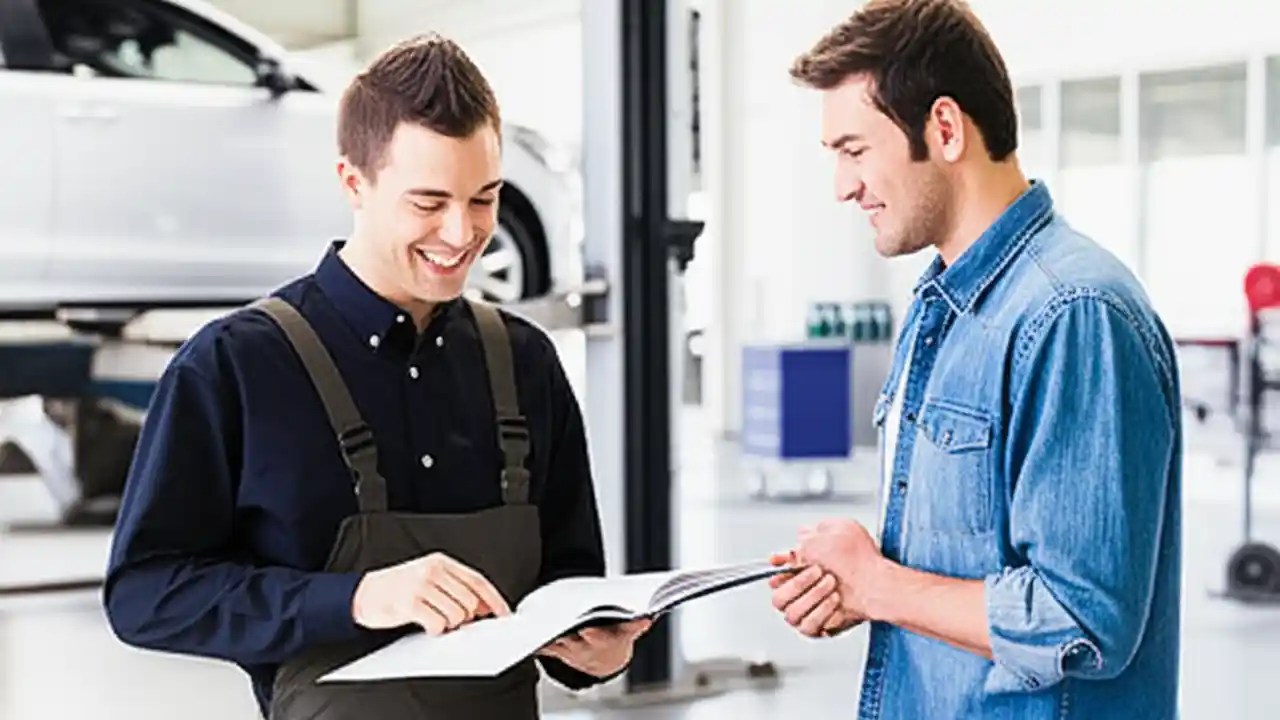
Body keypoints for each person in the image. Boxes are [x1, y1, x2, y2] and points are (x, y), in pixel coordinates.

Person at [103, 34, 649, 719]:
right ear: (353, 183)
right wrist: (355, 598)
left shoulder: (526, 363)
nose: (462, 233)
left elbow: (566, 585)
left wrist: (597, 653)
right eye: (428, 203)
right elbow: (146, 593)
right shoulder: (235, 365)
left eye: (484, 199)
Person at [766, 1, 1182, 718]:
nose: (841, 186)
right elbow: (968, 568)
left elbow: (1081, 617)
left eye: (855, 151)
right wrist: (860, 584)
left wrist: (878, 586)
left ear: (946, 129)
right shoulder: (943, 306)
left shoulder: (1073, 313)